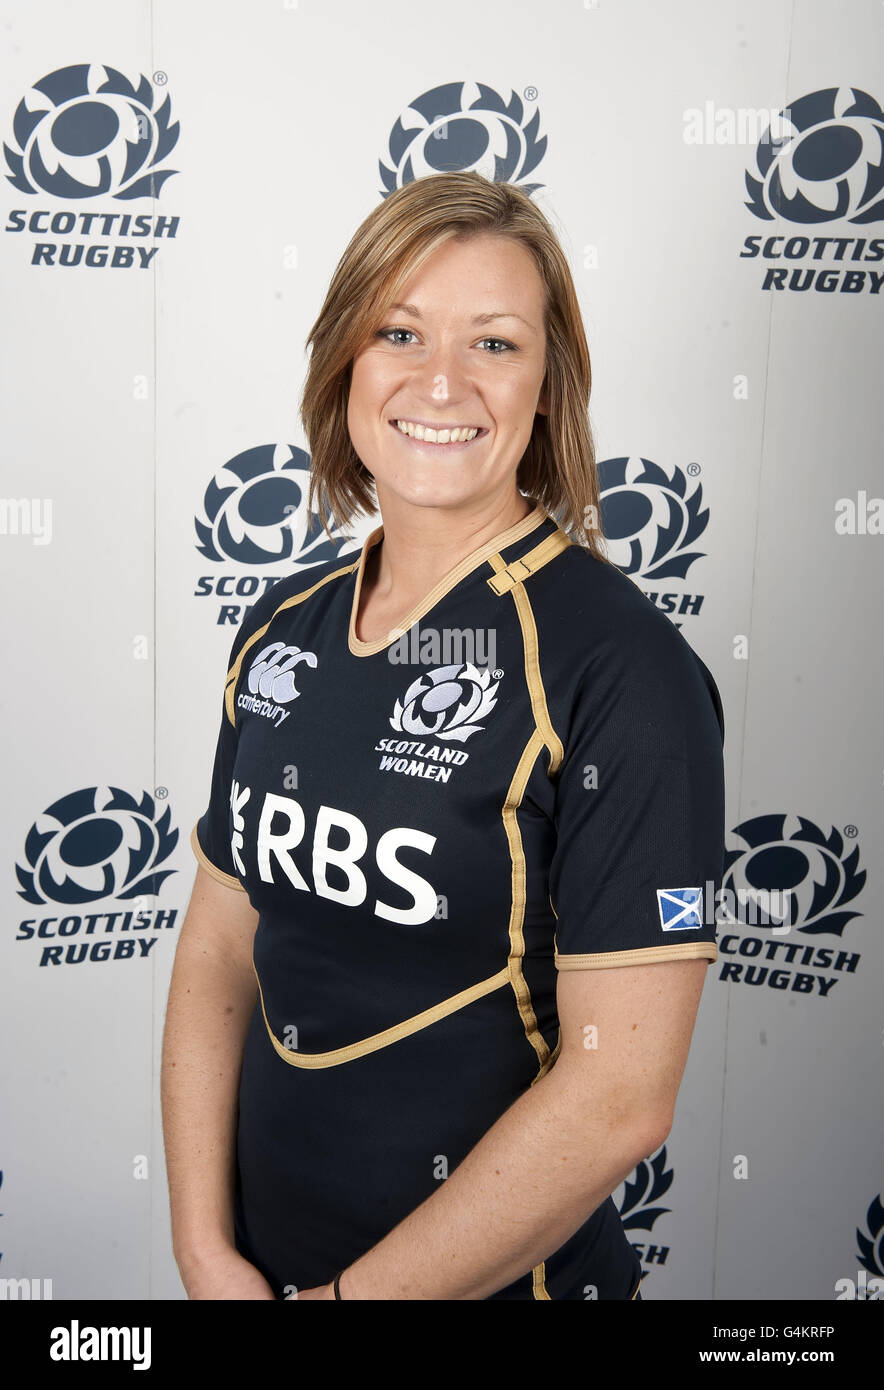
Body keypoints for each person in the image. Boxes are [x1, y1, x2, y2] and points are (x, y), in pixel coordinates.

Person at [161, 170, 725, 1301]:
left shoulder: (620, 671)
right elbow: (221, 943)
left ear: (549, 388)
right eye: (399, 331)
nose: (439, 382)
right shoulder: (280, 626)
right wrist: (203, 1251)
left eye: (496, 344)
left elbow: (620, 1096)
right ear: (345, 364)